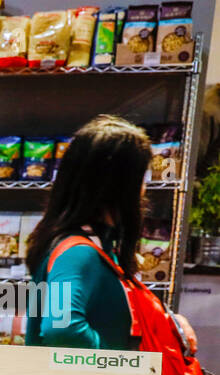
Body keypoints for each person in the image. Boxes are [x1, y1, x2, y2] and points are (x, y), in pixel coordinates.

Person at [26, 115, 198, 355]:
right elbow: (60, 328)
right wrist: (120, 365)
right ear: (121, 185)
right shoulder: (78, 253)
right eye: (141, 178)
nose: (144, 189)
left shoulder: (90, 247)